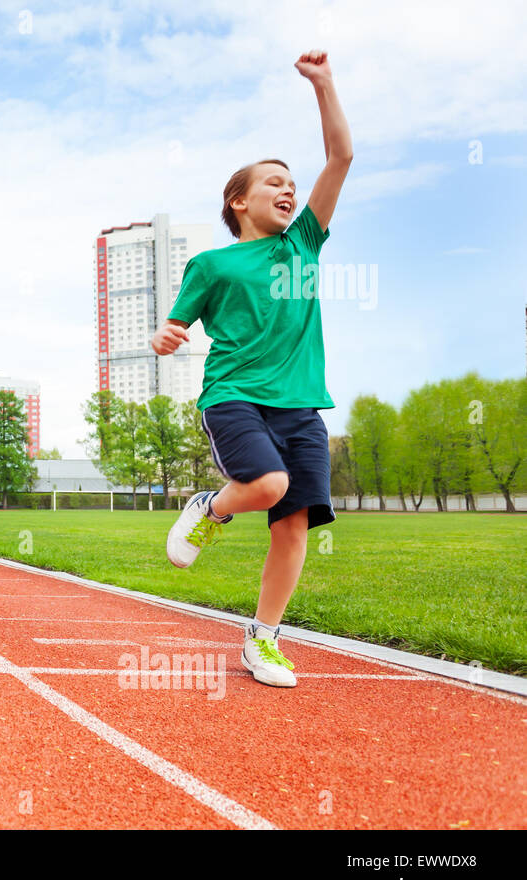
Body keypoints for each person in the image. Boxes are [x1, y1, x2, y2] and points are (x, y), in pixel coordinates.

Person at [150, 50, 352, 688]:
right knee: (265, 485)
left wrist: (323, 85)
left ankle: (262, 640)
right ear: (238, 202)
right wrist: (166, 334)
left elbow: (341, 156)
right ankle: (209, 509)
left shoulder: (304, 245)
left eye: (292, 183)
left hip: (301, 403)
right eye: (273, 183)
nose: (288, 189)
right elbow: (178, 322)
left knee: (292, 524)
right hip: (234, 394)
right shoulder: (212, 265)